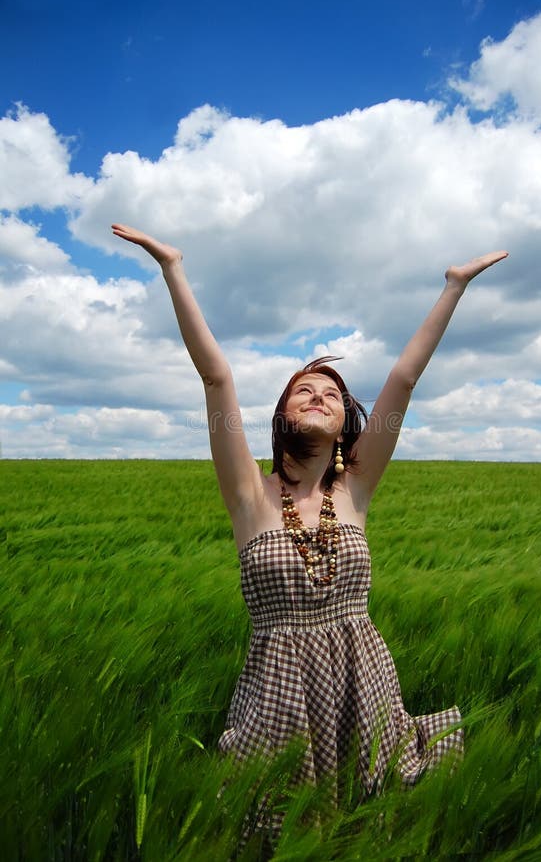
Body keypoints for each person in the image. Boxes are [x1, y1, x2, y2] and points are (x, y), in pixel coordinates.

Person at [112, 223, 508, 827]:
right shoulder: (250, 496)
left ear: (347, 421)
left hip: (363, 686)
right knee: (280, 824)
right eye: (303, 391)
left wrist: (454, 286)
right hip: (279, 697)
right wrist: (173, 268)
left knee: (370, 818)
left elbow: (403, 380)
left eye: (331, 393)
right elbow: (216, 377)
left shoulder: (354, 490)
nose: (319, 395)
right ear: (281, 417)